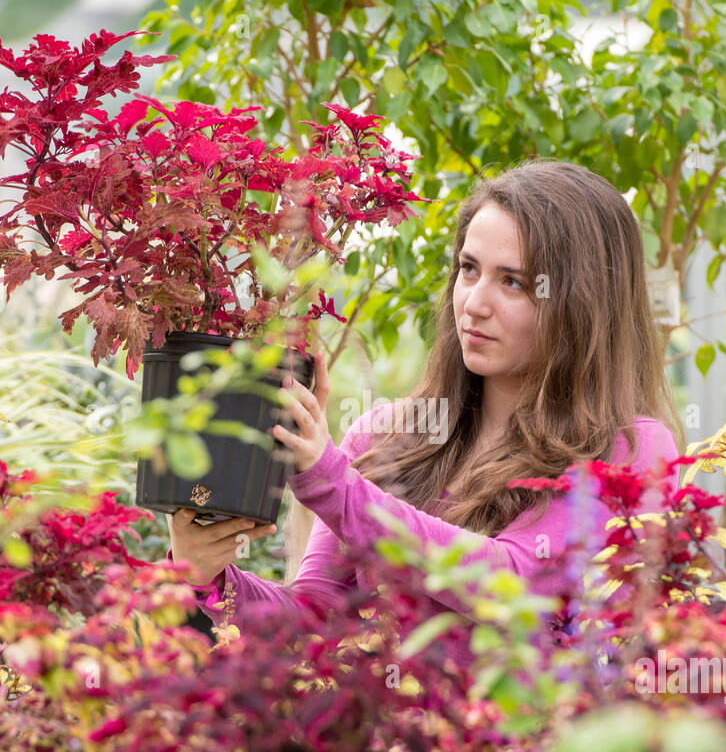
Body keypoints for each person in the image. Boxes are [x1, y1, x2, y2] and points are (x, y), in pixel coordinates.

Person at [165, 158, 683, 669]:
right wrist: (206, 578)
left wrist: (331, 482)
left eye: (515, 282)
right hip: (379, 750)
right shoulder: (383, 437)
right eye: (469, 269)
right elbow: (315, 622)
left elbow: (514, 582)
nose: (474, 303)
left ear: (583, 304)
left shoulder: (631, 452)